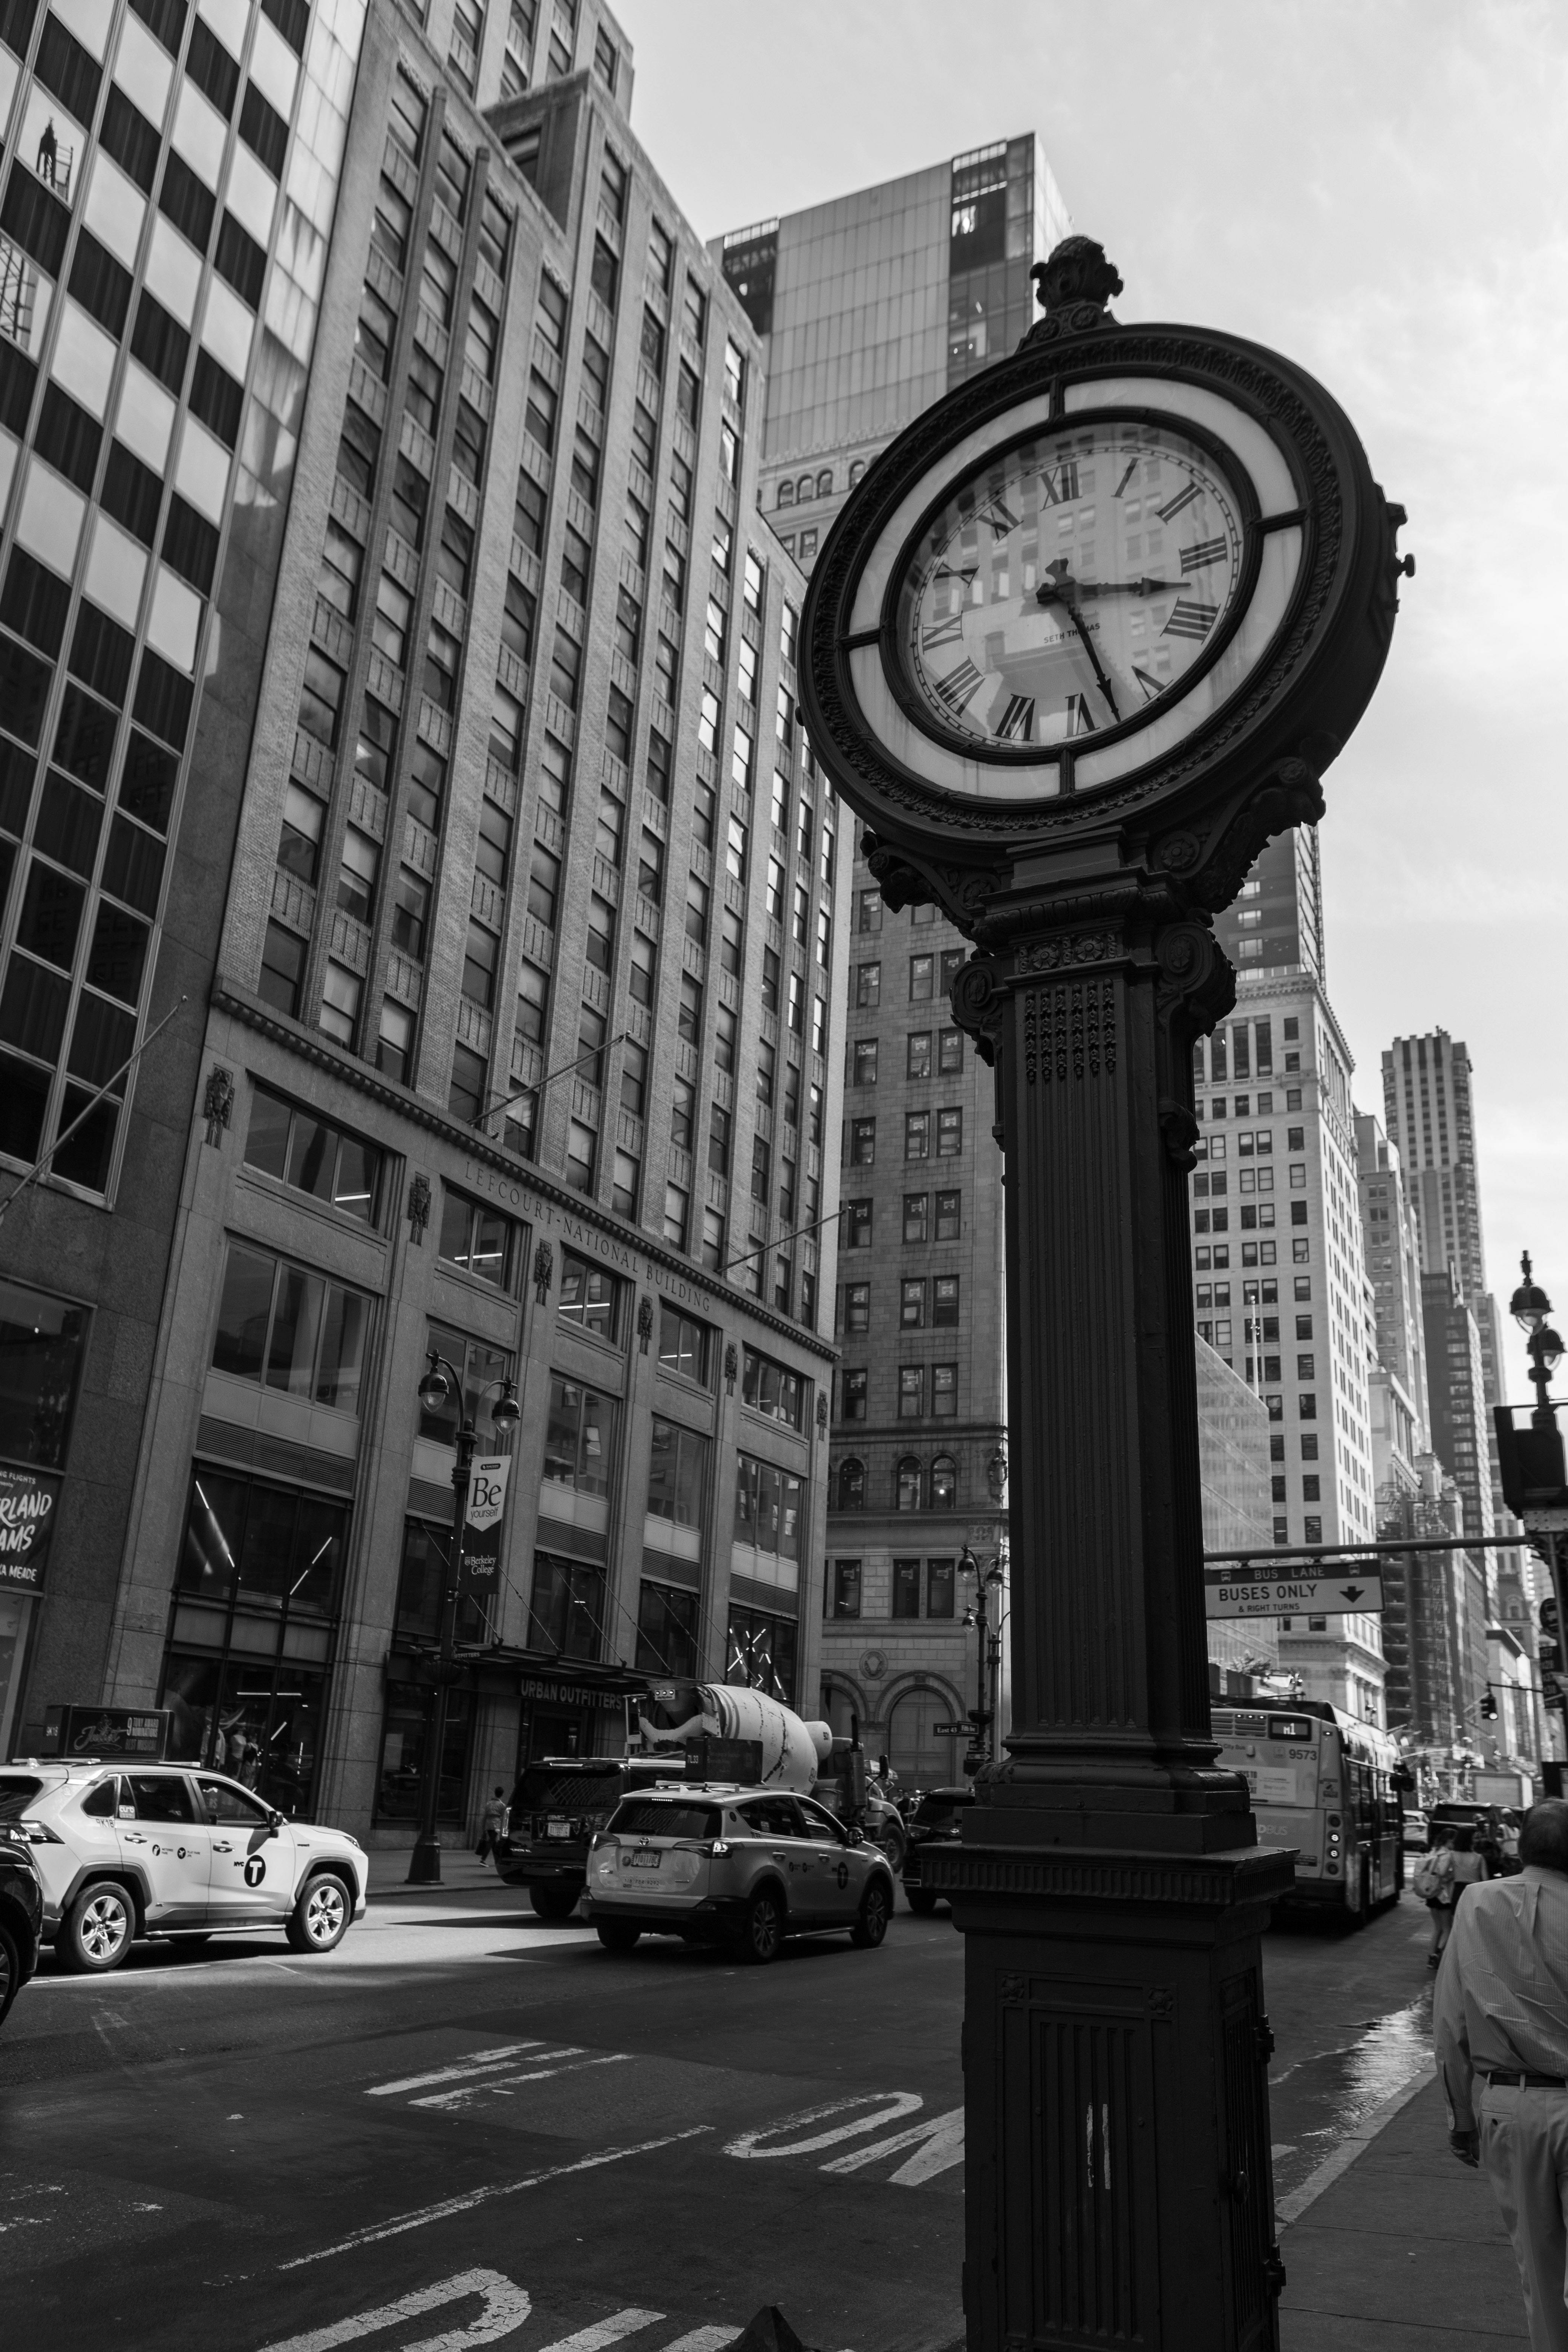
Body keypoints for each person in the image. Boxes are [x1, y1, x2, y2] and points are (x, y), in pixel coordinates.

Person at [1435, 1798, 1568, 2352]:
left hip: (1511, 2107)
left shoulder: (1477, 1905)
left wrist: (1461, 2114)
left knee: (1538, 2271)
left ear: (1520, 1847)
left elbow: (1451, 2020)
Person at [1418, 1826, 1458, 1966]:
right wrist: (1453, 1875)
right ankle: (1438, 1953)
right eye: (1454, 1841)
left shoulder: (1433, 1852)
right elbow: (1441, 1873)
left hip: (1432, 1894)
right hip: (1444, 1895)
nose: (1455, 1844)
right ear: (1449, 1841)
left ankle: (1431, 1957)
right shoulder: (1447, 1855)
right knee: (1448, 1928)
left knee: (1437, 1928)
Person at [476, 1785, 509, 1867]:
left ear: (495, 1793)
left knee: (493, 1843)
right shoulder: (502, 1805)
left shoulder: (489, 1804)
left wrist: (483, 1827)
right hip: (496, 1825)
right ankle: (483, 1860)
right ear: (502, 1795)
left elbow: (485, 1816)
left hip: (488, 1824)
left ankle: (497, 1861)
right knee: (491, 1842)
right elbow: (504, 1817)